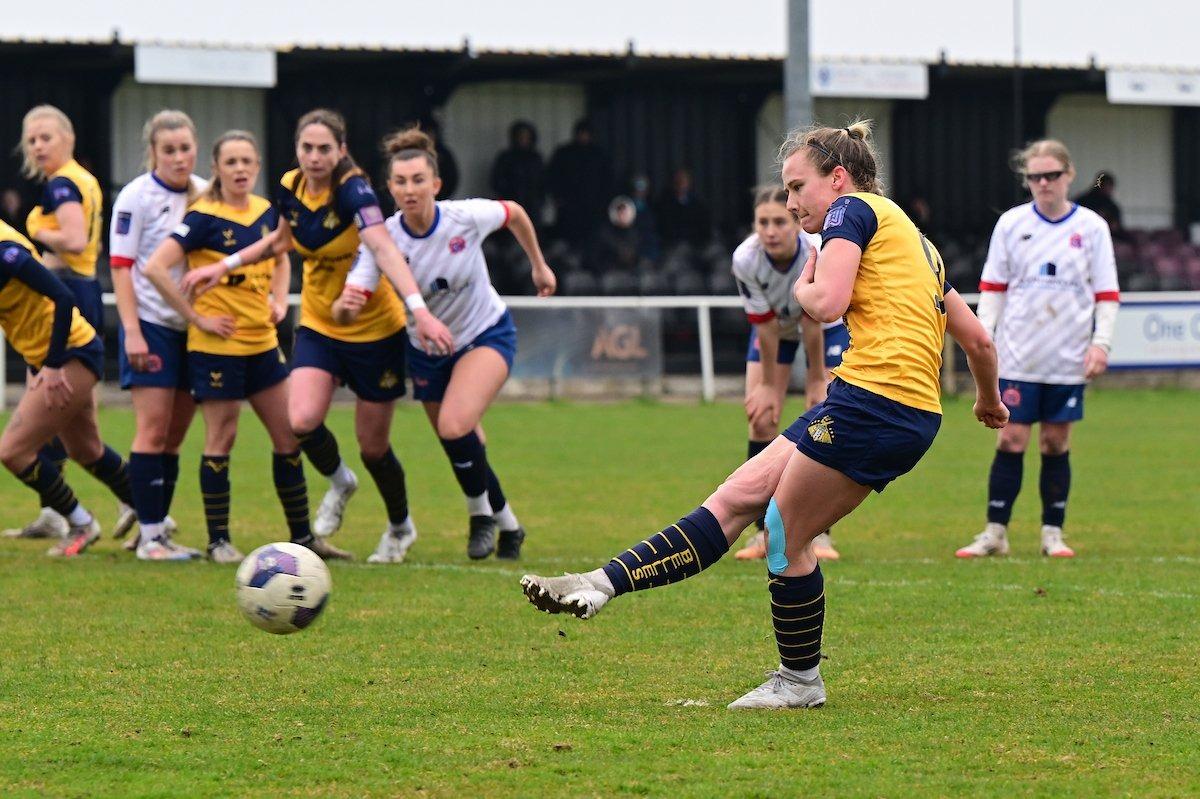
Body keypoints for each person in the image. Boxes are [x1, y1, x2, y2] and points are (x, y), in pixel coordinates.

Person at [520, 120, 1008, 710]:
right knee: (737, 497)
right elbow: (978, 341)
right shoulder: (918, 244)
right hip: (879, 405)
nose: (790, 201)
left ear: (838, 179)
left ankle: (800, 679)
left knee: (783, 531)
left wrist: (802, 285)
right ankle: (598, 584)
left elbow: (824, 304)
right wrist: (987, 400)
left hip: (877, 404)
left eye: (797, 187)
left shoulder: (850, 213)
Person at [183, 109, 453, 564]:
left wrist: (419, 312)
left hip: (373, 328)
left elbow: (384, 247)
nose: (314, 157)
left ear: (341, 151)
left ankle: (400, 527)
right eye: (306, 148)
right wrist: (223, 265)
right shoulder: (290, 185)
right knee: (301, 420)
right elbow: (278, 243)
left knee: (375, 447)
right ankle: (340, 480)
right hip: (320, 322)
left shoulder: (356, 192)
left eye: (324, 148)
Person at [344, 126, 556, 560]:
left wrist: (539, 265)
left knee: (455, 427)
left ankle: (480, 516)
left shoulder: (464, 216)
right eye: (400, 182)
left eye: (418, 180)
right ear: (389, 188)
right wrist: (346, 305)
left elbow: (514, 212)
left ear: (436, 184)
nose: (409, 189)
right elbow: (356, 294)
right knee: (461, 439)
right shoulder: (383, 239)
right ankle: (510, 526)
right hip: (427, 353)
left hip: (486, 333)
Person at [142, 130, 342, 563]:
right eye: (230, 162)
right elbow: (156, 267)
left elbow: (282, 255)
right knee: (222, 436)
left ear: (257, 167)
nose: (239, 170)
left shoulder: (269, 212)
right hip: (217, 347)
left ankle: (304, 538)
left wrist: (278, 298)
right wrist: (196, 318)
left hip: (262, 344)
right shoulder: (202, 216)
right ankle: (219, 541)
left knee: (288, 434)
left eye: (246, 162)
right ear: (216, 168)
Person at [957, 141, 1119, 560]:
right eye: (1034, 177)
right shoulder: (1011, 224)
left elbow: (1106, 293)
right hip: (1017, 355)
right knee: (1010, 439)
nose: (1043, 184)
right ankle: (995, 533)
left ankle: (1052, 534)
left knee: (1054, 443)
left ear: (1068, 175)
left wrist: (1100, 344)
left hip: (1067, 358)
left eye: (1051, 175)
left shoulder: (1092, 228)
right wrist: (985, 338)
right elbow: (992, 288)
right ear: (1026, 180)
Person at [4, 105, 137, 541]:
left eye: (46, 137)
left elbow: (75, 240)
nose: (38, 147)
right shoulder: (84, 179)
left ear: (68, 137)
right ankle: (147, 513)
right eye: (32, 140)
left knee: (35, 422)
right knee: (83, 442)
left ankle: (71, 517)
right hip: (77, 295)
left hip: (66, 295)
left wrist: (37, 230)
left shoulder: (62, 185)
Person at [0, 220, 136, 557]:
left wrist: (53, 365)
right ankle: (153, 519)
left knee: (12, 451)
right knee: (86, 449)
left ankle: (81, 523)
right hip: (53, 354)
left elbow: (63, 296)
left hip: (70, 353)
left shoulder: (6, 251)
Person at [109, 110, 208, 561]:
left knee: (173, 435)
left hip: (194, 330)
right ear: (152, 152)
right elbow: (122, 267)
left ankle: (155, 529)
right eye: (168, 150)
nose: (178, 157)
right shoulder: (134, 197)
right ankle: (150, 538)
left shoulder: (206, 193)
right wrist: (132, 332)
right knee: (151, 430)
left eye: (185, 148)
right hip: (150, 326)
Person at [729, 186, 845, 563]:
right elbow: (764, 327)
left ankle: (820, 534)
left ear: (795, 225)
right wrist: (766, 387)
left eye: (779, 221)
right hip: (776, 329)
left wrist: (815, 381)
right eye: (763, 222)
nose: (771, 230)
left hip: (823, 329)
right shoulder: (745, 259)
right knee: (761, 420)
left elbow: (812, 322)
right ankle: (762, 534)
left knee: (824, 422)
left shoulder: (813, 251)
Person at [547, 119, 612, 246]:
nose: (583, 137)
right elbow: (553, 176)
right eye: (581, 133)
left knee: (592, 235)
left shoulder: (599, 155)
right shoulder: (564, 153)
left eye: (586, 133)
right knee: (568, 234)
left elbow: (607, 180)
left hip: (593, 205)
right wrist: (557, 197)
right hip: (569, 204)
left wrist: (603, 201)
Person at [490, 121, 545, 228]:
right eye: (521, 136)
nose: (523, 140)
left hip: (532, 203)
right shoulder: (506, 157)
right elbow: (496, 179)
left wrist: (540, 199)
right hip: (511, 201)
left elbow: (543, 180)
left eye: (526, 137)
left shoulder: (535, 158)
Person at [655, 167, 711, 250]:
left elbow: (704, 227)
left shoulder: (697, 204)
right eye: (678, 181)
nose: (681, 184)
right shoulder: (665, 204)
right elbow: (666, 229)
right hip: (675, 246)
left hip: (698, 245)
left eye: (684, 181)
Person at [1073, 171, 1126, 241]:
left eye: (1111, 186)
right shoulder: (1084, 201)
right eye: (1107, 185)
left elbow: (1116, 226)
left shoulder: (1111, 204)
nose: (1110, 189)